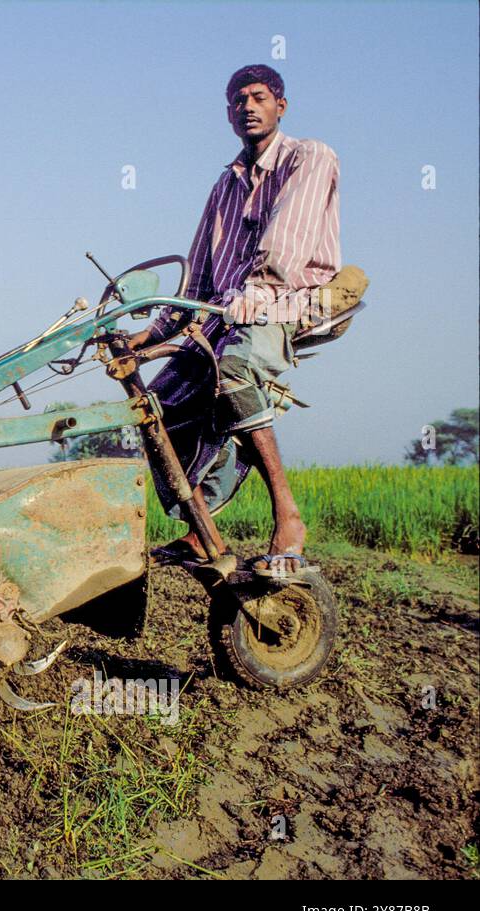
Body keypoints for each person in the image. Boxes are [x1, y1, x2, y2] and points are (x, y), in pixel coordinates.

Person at [128, 64, 340, 576]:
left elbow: (290, 235)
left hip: (292, 298)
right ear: (228, 114)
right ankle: (204, 531)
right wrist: (151, 335)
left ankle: (288, 516)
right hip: (225, 311)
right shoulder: (225, 184)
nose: (248, 106)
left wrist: (259, 290)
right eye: (238, 100)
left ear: (279, 106)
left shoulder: (309, 156)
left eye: (258, 97)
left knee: (235, 365)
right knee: (156, 403)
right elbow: (197, 278)